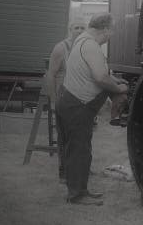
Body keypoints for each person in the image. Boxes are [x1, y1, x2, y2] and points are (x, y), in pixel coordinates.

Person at [55, 13, 129, 206]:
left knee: (79, 148)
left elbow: (96, 74)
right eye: (111, 32)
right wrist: (119, 88)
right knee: (79, 149)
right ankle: (77, 195)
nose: (110, 36)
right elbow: (100, 78)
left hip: (70, 101)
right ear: (105, 30)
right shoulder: (91, 46)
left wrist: (113, 80)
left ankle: (80, 190)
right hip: (78, 105)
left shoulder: (81, 40)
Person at [45, 18, 86, 182]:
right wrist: (53, 100)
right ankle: (64, 172)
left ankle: (81, 169)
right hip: (64, 97)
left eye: (83, 28)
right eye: (77, 27)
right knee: (65, 137)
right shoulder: (61, 48)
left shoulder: (84, 48)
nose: (80, 30)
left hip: (81, 99)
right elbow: (51, 75)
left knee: (82, 136)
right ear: (70, 30)